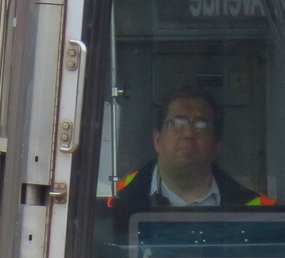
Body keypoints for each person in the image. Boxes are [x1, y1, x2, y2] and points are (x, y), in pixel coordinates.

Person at [105, 89, 276, 215]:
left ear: (218, 145)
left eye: (201, 125)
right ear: (157, 139)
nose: (188, 133)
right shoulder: (112, 199)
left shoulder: (260, 209)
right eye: (177, 123)